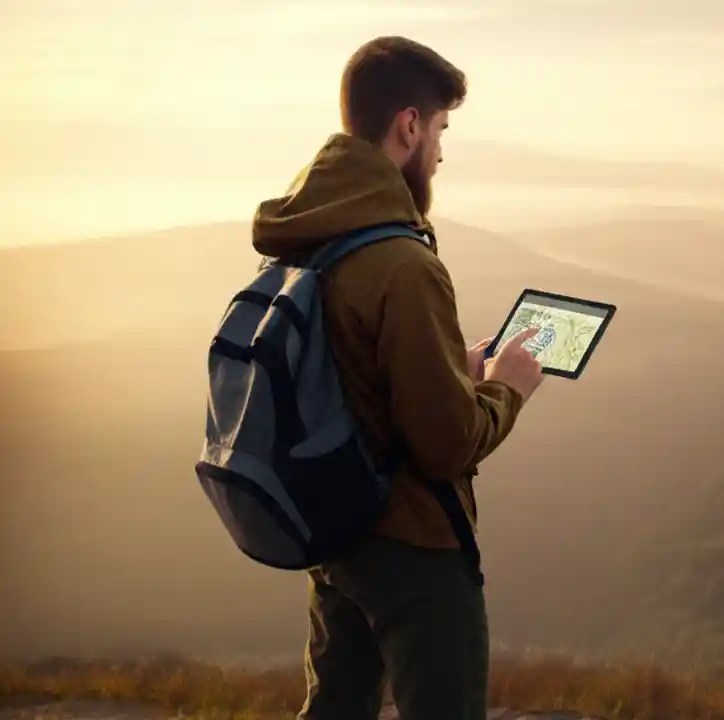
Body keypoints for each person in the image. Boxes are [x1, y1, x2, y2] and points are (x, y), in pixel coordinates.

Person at [251, 36, 544, 719]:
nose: (441, 151)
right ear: (409, 126)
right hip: (414, 548)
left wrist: (453, 372)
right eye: (441, 129)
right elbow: (446, 444)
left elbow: (352, 377)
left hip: (335, 533)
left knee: (335, 709)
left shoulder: (311, 236)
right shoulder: (402, 262)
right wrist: (508, 386)